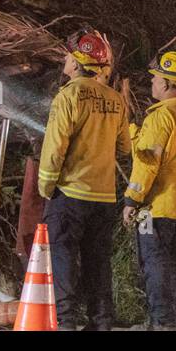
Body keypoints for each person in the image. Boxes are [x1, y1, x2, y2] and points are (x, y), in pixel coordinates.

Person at [37, 27, 131, 330]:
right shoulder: (116, 99)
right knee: (98, 262)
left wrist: (46, 187)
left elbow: (54, 148)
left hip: (70, 194)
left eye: (67, 55)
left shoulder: (68, 96)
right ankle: (101, 322)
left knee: (63, 258)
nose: (64, 61)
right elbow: (125, 147)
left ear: (77, 63)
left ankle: (65, 321)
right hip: (103, 197)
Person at [122, 50, 176, 329]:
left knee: (154, 264)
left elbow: (147, 163)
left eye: (155, 79)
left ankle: (161, 322)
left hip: (155, 208)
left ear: (166, 84)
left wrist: (132, 199)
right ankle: (175, 321)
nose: (152, 83)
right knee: (175, 264)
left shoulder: (161, 116)